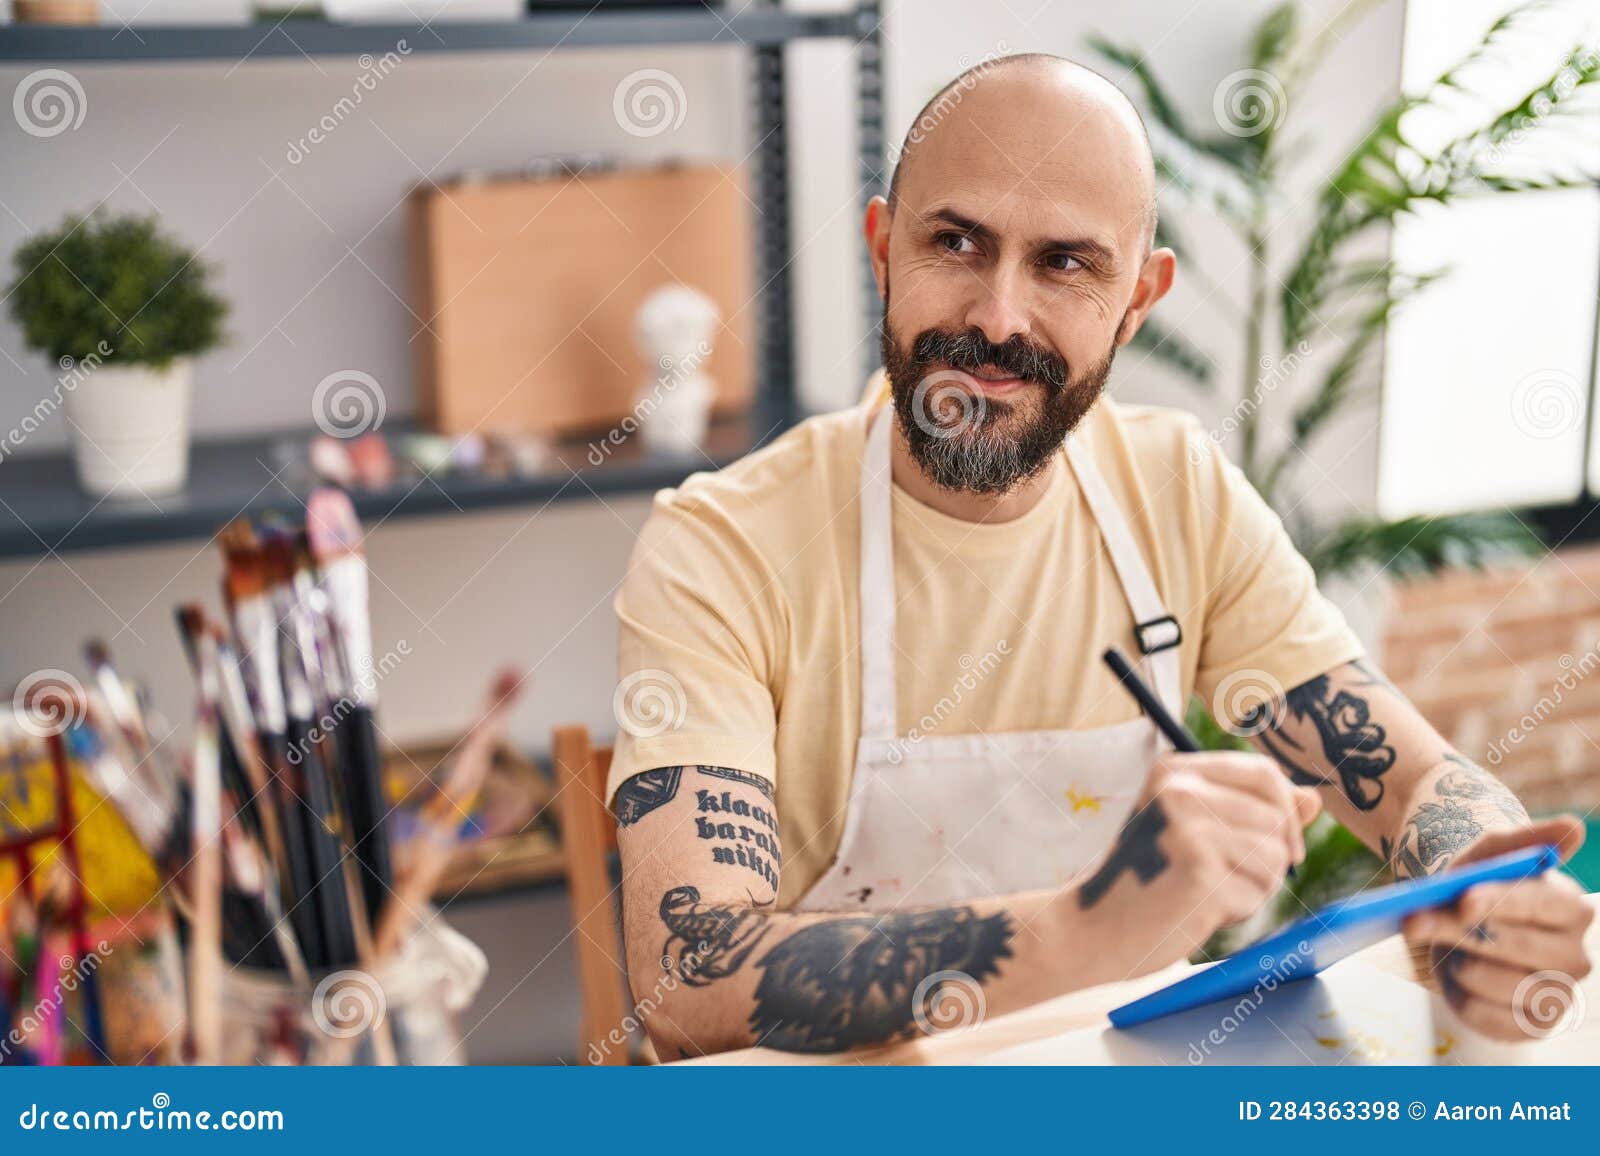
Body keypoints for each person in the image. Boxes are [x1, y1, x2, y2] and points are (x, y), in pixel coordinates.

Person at [606, 54, 1593, 1058]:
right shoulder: (722, 546)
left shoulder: (1179, 493)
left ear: (1137, 301)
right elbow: (690, 982)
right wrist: (1089, 928)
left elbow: (1410, 779)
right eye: (955, 241)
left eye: (1064, 263)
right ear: (881, 251)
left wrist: (1490, 890)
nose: (996, 317)